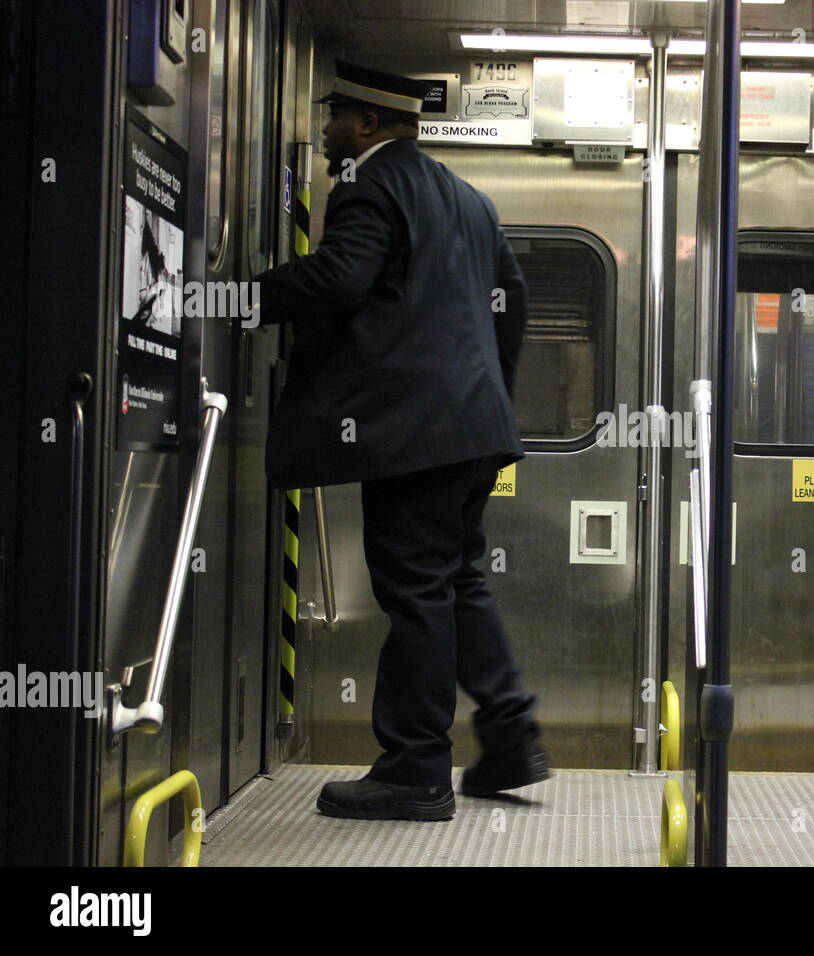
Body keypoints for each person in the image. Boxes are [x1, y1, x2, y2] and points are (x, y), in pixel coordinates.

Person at [251, 61, 547, 822]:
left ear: (371, 127)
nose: (324, 133)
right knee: (456, 579)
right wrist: (487, 398)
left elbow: (344, 277)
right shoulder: (469, 198)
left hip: (416, 433)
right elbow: (510, 299)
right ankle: (509, 734)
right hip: (473, 429)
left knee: (415, 587)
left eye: (336, 118)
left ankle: (416, 768)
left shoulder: (367, 184)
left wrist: (239, 296)